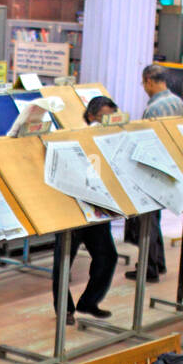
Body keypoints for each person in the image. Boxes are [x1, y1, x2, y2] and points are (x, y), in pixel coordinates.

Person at [51, 97, 121, 323]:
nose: (106, 122)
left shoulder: (109, 139)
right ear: (91, 116)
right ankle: (64, 309)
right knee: (64, 263)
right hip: (72, 210)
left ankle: (89, 301)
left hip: (97, 210)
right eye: (103, 117)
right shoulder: (74, 137)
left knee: (107, 256)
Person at [124, 65, 183, 281]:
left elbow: (145, 143)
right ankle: (158, 262)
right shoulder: (179, 102)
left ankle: (149, 268)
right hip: (171, 169)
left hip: (152, 170)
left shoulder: (153, 109)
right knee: (154, 217)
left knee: (146, 221)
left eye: (143, 84)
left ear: (149, 81)